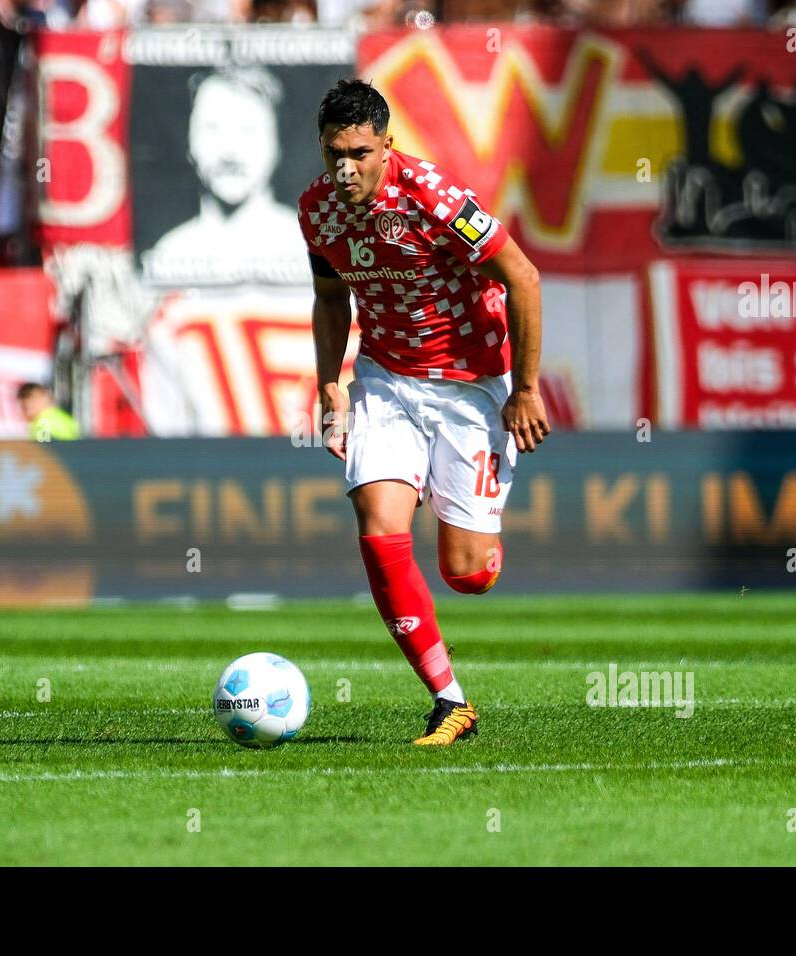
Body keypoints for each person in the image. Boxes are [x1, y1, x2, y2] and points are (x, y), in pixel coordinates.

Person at [300, 80, 549, 746]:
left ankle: (464, 513)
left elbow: (522, 277)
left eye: (358, 151)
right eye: (332, 153)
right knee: (377, 524)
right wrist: (331, 386)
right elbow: (330, 300)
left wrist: (524, 389)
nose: (344, 167)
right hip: (384, 379)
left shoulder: (433, 198)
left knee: (466, 575)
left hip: (472, 386)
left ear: (387, 145)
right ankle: (450, 702)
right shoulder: (318, 210)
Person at [142, 65, 305, 286]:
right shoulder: (168, 254)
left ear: (277, 146)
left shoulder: (307, 251)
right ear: (190, 143)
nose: (230, 152)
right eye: (212, 128)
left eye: (248, 130)